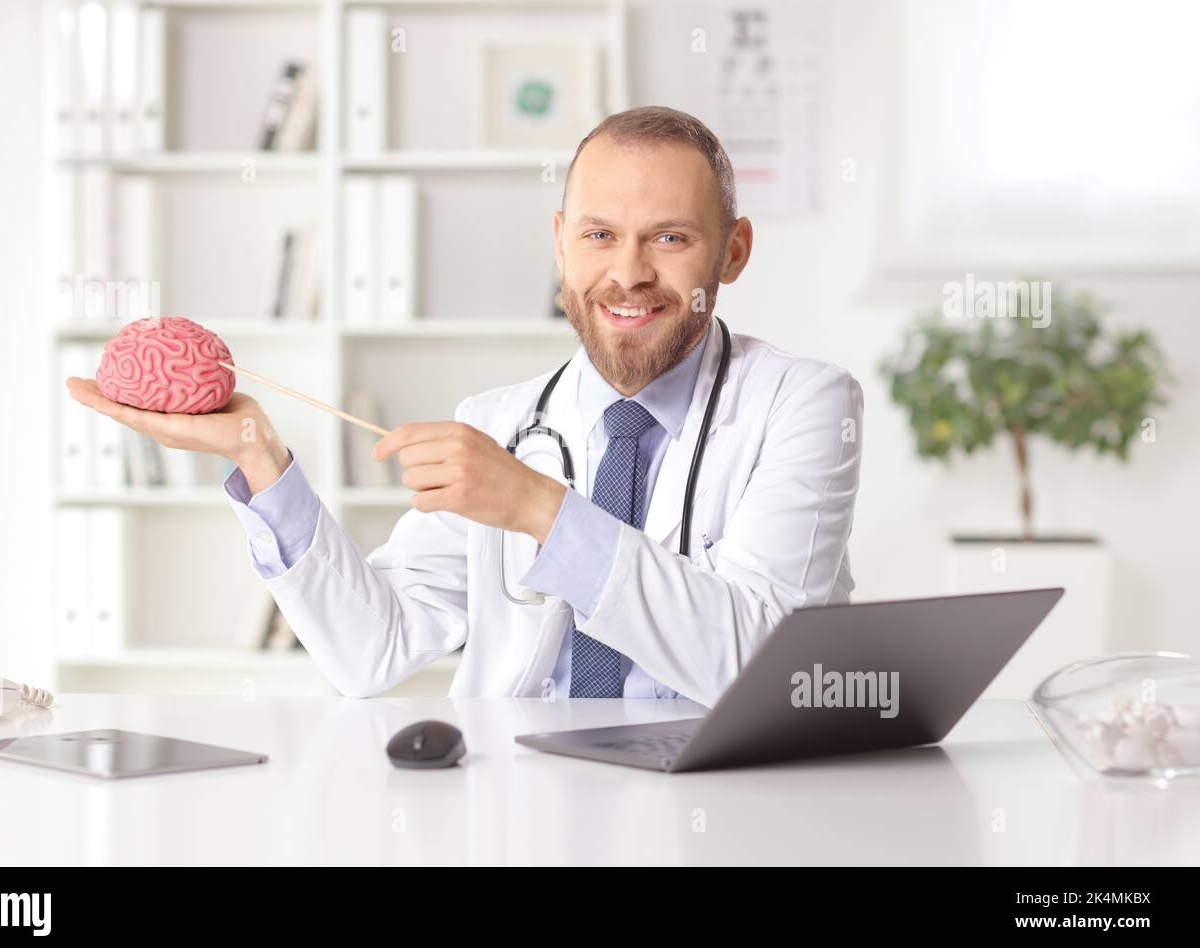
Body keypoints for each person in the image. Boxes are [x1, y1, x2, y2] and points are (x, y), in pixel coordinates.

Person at [66, 106, 863, 707]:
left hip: (716, 813)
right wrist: (258, 457)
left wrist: (535, 507)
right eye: (597, 236)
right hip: (520, 809)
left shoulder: (805, 407)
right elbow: (371, 649)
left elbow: (767, 664)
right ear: (559, 241)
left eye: (669, 239)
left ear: (733, 249)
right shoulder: (496, 423)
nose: (627, 273)